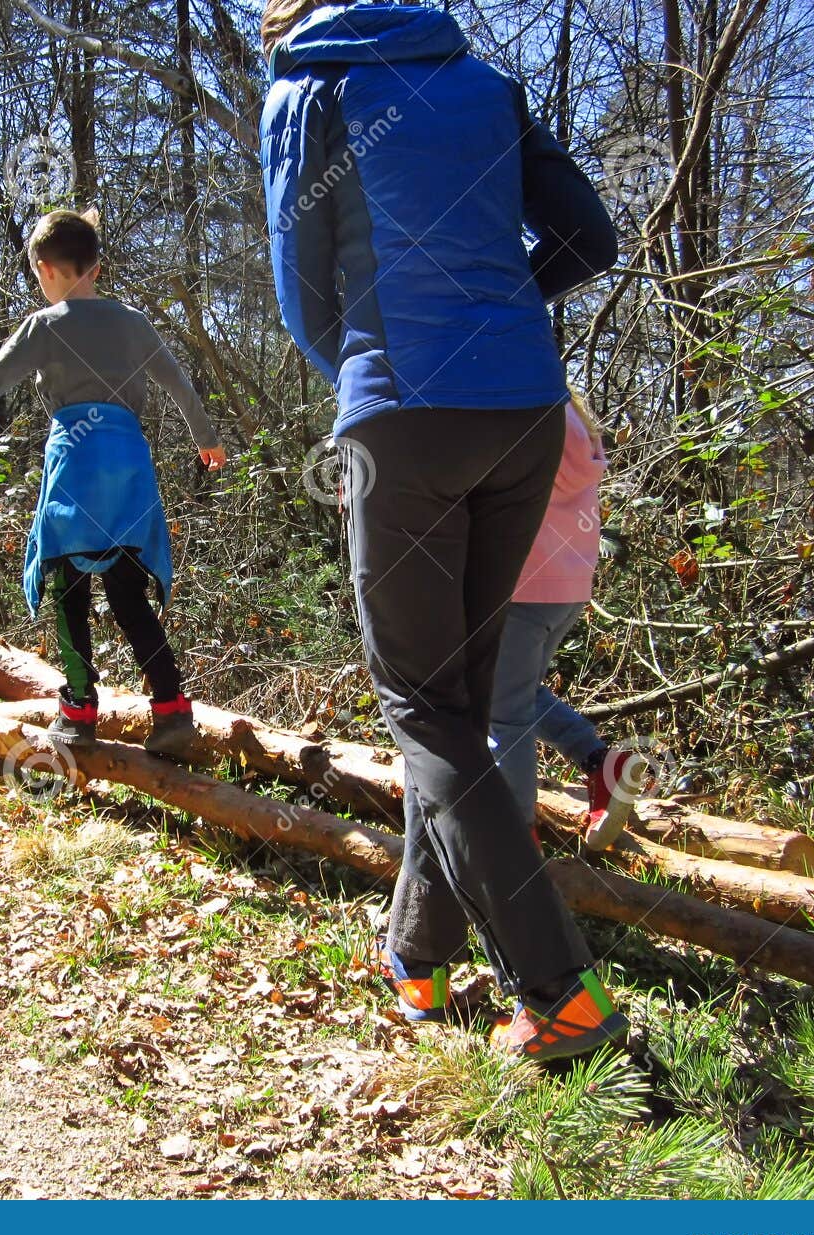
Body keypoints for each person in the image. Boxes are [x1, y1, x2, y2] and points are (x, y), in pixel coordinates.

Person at [260, 1, 624, 1060]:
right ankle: (418, 957)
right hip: (522, 413)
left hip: (403, 410)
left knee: (423, 708)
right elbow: (587, 237)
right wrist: (499, 310)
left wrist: (370, 378)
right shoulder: (484, 80)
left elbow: (300, 289)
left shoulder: (309, 89)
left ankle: (560, 996)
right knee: (455, 709)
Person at [0, 208, 227, 754]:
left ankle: (78, 712)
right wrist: (206, 438)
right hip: (129, 469)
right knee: (127, 591)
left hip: (75, 468)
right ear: (95, 266)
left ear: (46, 270)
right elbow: (180, 385)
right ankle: (171, 713)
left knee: (68, 588)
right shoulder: (135, 324)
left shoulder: (44, 327)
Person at [488, 389, 649, 850]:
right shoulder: (574, 427)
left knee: (505, 716)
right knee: (519, 695)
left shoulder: (523, 412)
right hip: (567, 590)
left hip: (523, 589)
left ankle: (515, 845)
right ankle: (604, 765)